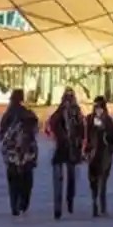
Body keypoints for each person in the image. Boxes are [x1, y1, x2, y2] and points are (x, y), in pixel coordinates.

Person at [45, 87, 85, 219]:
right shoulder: (63, 112)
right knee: (62, 179)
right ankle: (62, 205)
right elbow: (50, 126)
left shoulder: (74, 112)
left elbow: (82, 129)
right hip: (65, 149)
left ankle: (67, 202)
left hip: (69, 150)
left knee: (68, 178)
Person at [0, 89, 39, 217]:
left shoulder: (8, 114)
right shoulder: (28, 113)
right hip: (26, 152)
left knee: (13, 180)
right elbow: (35, 129)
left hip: (12, 153)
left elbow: (2, 134)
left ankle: (15, 204)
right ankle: (23, 203)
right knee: (26, 180)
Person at [83, 96, 113, 217]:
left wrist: (110, 144)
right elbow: (86, 136)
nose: (98, 109)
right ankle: (95, 202)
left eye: (100, 107)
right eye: (96, 106)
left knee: (102, 180)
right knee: (94, 179)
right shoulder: (89, 119)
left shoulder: (108, 121)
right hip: (94, 153)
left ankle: (101, 205)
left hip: (105, 153)